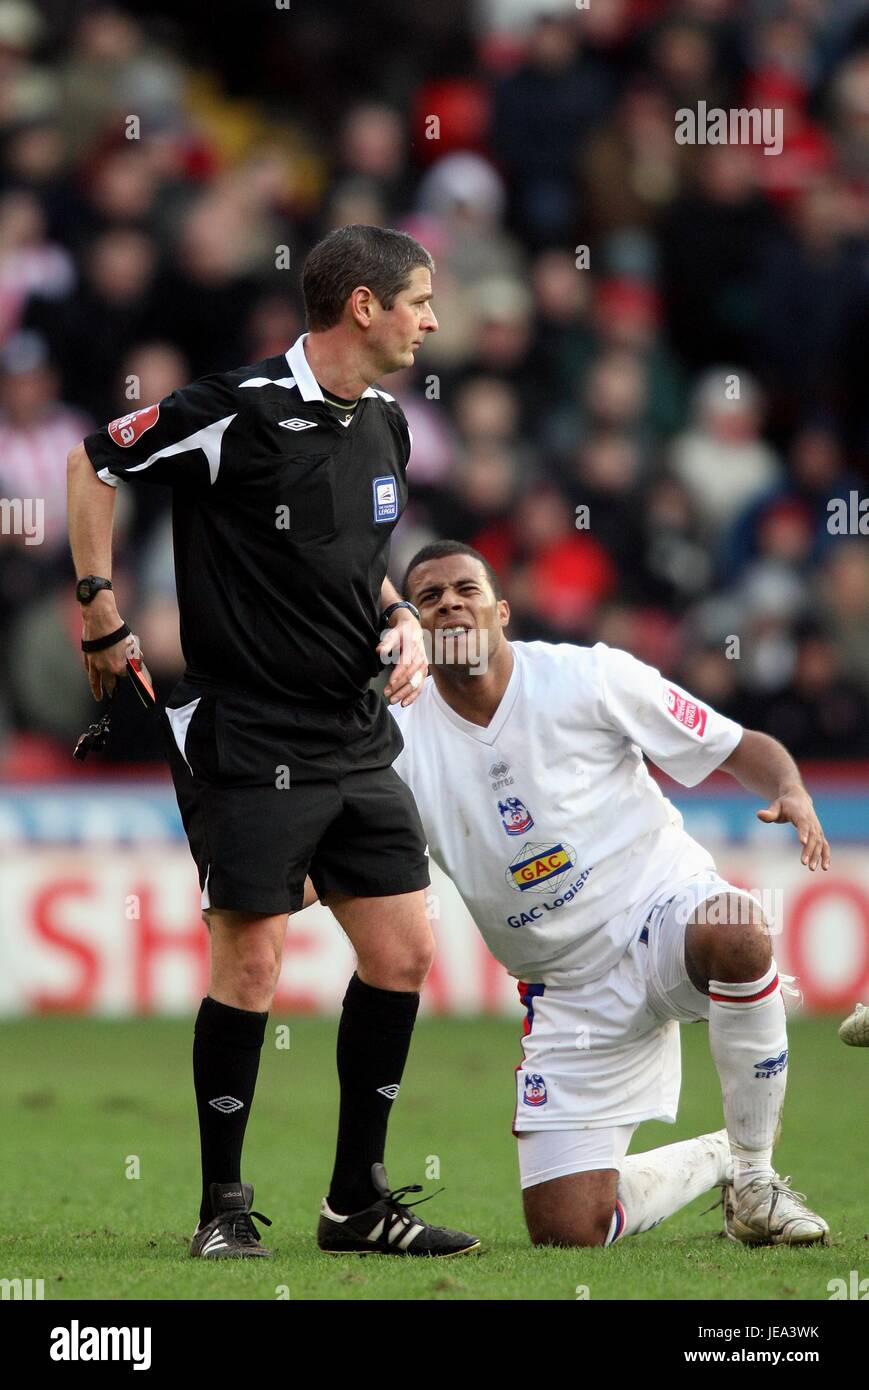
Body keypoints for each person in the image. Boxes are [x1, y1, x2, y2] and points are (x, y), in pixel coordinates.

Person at [66, 225, 479, 1260]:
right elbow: (93, 461)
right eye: (419, 300)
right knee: (250, 965)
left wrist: (397, 620)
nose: (431, 320)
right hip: (248, 731)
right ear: (362, 308)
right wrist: (97, 606)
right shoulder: (233, 411)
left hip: (352, 731)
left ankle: (355, 1201)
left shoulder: (386, 423)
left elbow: (357, 567)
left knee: (403, 949)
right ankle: (221, 1209)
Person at [386, 539, 831, 1248]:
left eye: (465, 589)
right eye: (429, 597)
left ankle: (755, 1177)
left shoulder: (586, 677)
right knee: (567, 1232)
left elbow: (733, 743)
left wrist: (789, 789)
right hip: (564, 989)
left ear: (500, 609)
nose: (449, 604)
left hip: (659, 910)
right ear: (410, 627)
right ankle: (723, 1152)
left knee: (738, 930)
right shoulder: (396, 740)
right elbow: (351, 860)